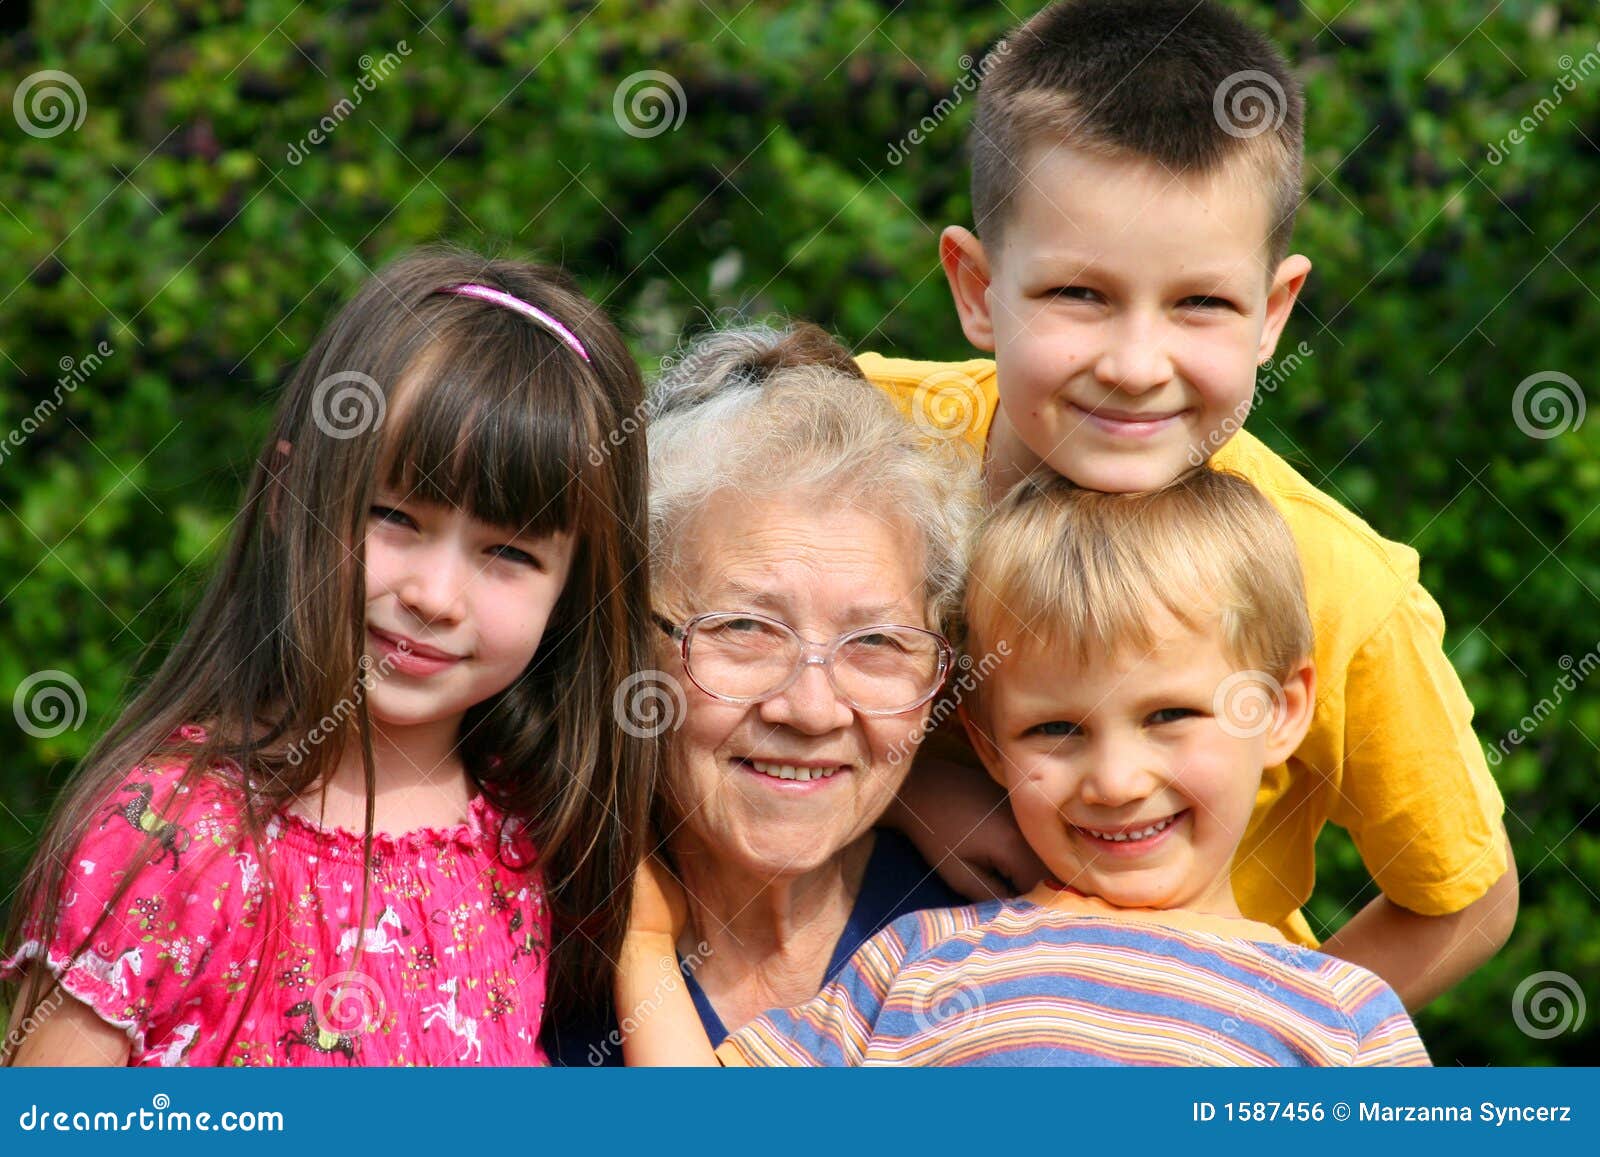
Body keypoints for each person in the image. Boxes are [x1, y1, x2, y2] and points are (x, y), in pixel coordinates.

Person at [859, 0, 1515, 1008]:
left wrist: (1253, 1036)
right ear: (978, 287)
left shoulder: (1331, 582)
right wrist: (911, 787)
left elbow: (1466, 896)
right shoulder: (853, 450)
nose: (1133, 366)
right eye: (1078, 295)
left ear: (1273, 311)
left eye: (1199, 303)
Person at [1, 246, 656, 1066]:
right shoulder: (167, 836)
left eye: (511, 553)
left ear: (573, 588)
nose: (436, 595)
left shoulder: (536, 832)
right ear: (287, 498)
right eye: (395, 515)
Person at [619, 467, 1431, 1066]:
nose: (1114, 780)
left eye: (1170, 715)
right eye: (1055, 729)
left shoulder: (1344, 1015)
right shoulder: (919, 960)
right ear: (987, 742)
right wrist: (645, 945)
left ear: (1283, 709)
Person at [544, 322, 984, 1065]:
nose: (811, 709)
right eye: (745, 627)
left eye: (876, 642)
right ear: (626, 642)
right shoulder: (508, 953)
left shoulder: (997, 932)